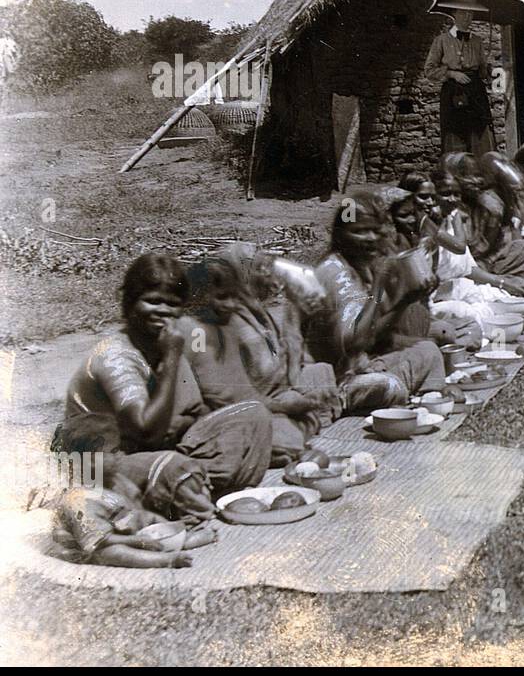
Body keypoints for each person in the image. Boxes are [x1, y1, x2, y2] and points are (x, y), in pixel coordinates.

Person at [53, 254, 274, 494]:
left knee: (254, 415)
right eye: (152, 301)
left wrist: (209, 430)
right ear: (128, 302)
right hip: (101, 462)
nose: (162, 311)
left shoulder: (163, 342)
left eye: (172, 304)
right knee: (177, 469)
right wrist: (170, 359)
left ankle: (184, 489)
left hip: (152, 450)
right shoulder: (114, 355)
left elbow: (195, 410)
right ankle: (181, 490)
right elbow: (145, 431)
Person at [185, 244, 341, 467]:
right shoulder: (207, 329)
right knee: (285, 435)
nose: (269, 275)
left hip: (270, 396)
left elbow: (285, 364)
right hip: (250, 407)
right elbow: (226, 397)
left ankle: (300, 425)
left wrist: (293, 319)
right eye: (260, 268)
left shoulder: (251, 310)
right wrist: (286, 405)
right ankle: (295, 430)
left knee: (321, 373)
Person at [308, 190, 446, 413]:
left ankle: (425, 397)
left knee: (429, 349)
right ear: (341, 235)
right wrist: (380, 286)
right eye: (359, 231)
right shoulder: (334, 272)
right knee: (387, 385)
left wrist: (411, 298)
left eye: (374, 230)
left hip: (367, 361)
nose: (371, 238)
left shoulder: (364, 263)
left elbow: (377, 331)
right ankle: (340, 401)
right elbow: (354, 341)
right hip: (339, 377)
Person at [51, 455, 217, 569]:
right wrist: (138, 541)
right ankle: (166, 560)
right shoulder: (80, 500)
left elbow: (131, 511)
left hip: (118, 530)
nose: (119, 456)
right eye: (111, 453)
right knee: (114, 553)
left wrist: (158, 523)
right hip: (89, 546)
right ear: (91, 463)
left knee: (157, 530)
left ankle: (183, 540)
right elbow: (99, 541)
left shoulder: (113, 480)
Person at [445, 152, 524, 278]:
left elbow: (496, 242)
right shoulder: (450, 206)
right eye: (468, 178)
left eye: (477, 176)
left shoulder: (488, 203)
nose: (475, 182)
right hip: (465, 265)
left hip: (485, 260)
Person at [430, 9, 494, 155]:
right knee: (455, 133)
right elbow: (430, 70)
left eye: (470, 14)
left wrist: (488, 69)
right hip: (454, 93)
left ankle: (480, 172)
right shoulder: (441, 41)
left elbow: (483, 72)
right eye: (463, 13)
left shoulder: (477, 41)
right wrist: (451, 74)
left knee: (480, 132)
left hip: (476, 92)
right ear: (454, 15)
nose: (467, 17)